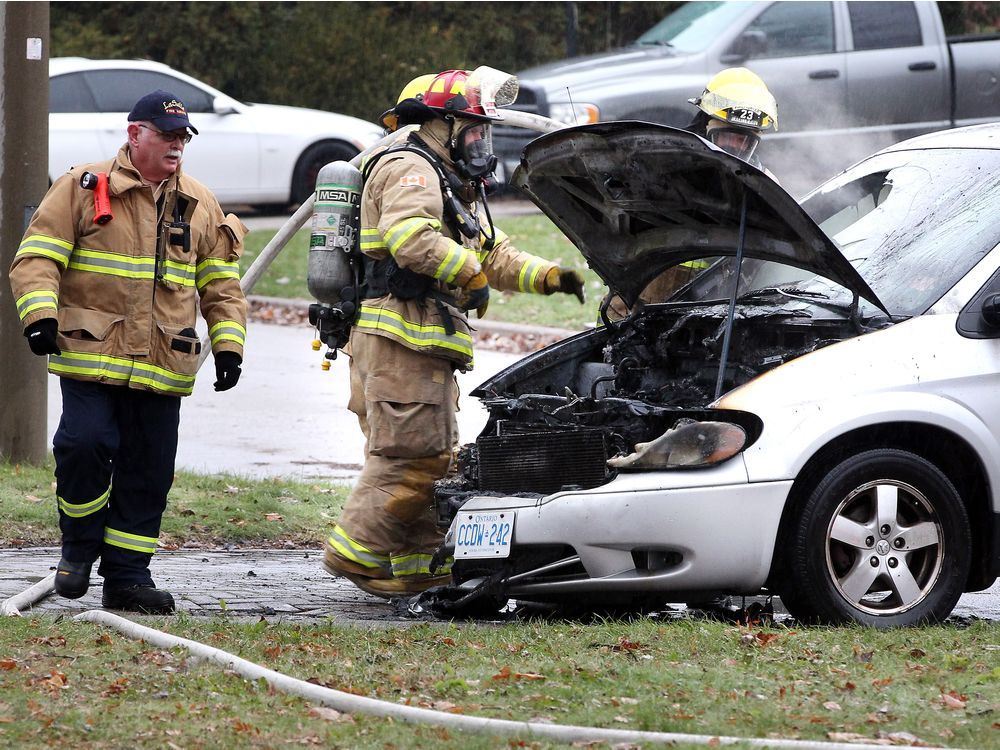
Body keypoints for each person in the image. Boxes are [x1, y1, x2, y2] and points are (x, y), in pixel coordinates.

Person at [323, 67, 586, 598]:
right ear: (439, 126)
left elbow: (495, 252)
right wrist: (470, 275)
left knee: (430, 456)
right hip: (399, 340)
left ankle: (419, 566)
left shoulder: (450, 183)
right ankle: (354, 554)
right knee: (410, 456)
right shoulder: (410, 168)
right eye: (471, 130)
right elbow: (410, 239)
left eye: (482, 131)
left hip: (416, 344)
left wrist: (552, 278)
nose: (480, 141)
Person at [8, 90, 248, 615]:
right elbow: (37, 260)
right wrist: (40, 318)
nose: (177, 146)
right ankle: (78, 547)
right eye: (166, 135)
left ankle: (128, 578)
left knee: (148, 472)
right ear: (134, 134)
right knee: (84, 445)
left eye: (183, 137)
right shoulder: (81, 187)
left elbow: (221, 284)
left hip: (165, 365)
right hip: (91, 355)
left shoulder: (200, 203)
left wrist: (228, 345)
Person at [602, 67, 778, 322]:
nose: (736, 148)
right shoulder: (663, 168)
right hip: (644, 306)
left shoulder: (765, 186)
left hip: (717, 312)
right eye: (727, 137)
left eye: (745, 142)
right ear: (706, 125)